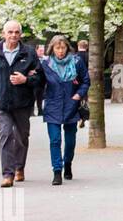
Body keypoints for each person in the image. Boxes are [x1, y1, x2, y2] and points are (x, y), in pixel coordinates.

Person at [0, 21, 41, 187]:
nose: (13, 35)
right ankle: (7, 174)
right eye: (10, 32)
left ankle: (19, 167)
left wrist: (26, 79)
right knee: (6, 134)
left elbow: (39, 77)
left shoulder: (28, 53)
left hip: (23, 103)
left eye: (16, 32)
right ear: (4, 33)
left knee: (22, 136)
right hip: (1, 103)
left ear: (20, 34)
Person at [40, 34, 90, 185]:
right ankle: (57, 171)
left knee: (70, 141)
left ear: (67, 48)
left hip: (71, 105)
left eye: (63, 48)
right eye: (57, 48)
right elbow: (38, 81)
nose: (60, 51)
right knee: (55, 140)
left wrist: (78, 95)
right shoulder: (46, 63)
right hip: (53, 105)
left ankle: (67, 163)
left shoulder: (77, 61)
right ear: (52, 49)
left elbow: (86, 81)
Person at [75, 40, 90, 130]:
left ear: (78, 46)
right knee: (84, 98)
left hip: (77, 80)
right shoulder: (89, 56)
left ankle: (79, 117)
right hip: (86, 80)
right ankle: (84, 115)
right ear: (87, 47)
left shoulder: (75, 57)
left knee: (77, 98)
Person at [33, 44, 47, 116]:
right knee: (33, 96)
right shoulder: (33, 58)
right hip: (34, 81)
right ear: (36, 50)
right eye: (40, 50)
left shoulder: (46, 59)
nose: (42, 52)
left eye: (43, 51)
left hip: (42, 81)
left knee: (40, 96)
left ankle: (40, 110)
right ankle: (31, 111)